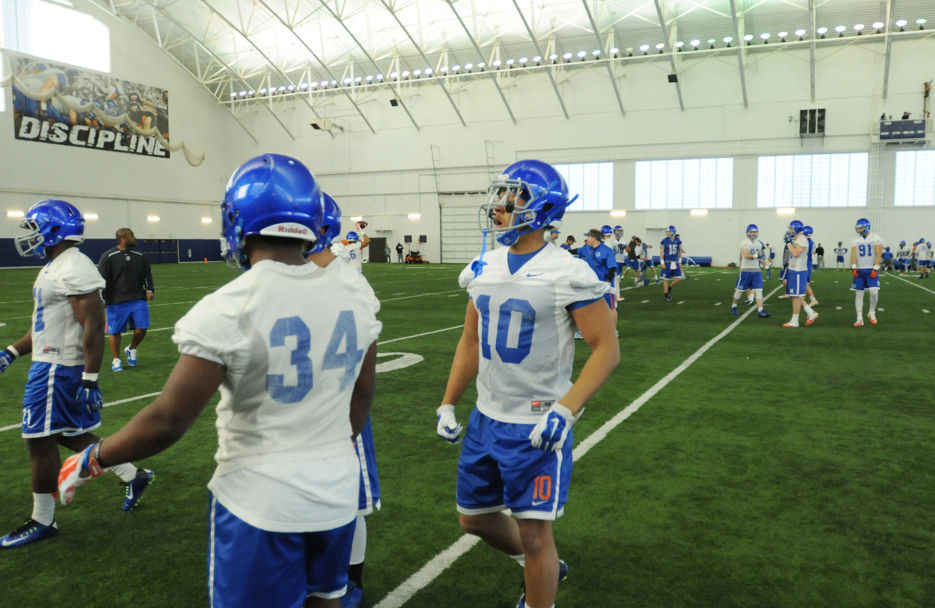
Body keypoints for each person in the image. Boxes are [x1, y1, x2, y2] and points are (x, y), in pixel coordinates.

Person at [57, 154, 381, 608]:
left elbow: (169, 420)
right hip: (337, 491)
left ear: (237, 219)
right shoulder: (355, 295)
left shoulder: (229, 305)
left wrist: (95, 456)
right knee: (325, 599)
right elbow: (362, 395)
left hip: (260, 500)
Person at [434, 159, 619, 608]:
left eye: (511, 198)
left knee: (536, 535)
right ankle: (542, 566)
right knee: (474, 519)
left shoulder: (568, 272)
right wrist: (448, 402)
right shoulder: (483, 266)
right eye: (499, 196)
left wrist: (566, 409)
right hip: (486, 417)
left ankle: (540, 584)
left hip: (535, 424)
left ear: (542, 208)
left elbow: (606, 349)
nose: (498, 206)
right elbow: (470, 340)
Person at [0, 200, 153, 549]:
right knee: (67, 432)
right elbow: (46, 325)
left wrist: (89, 377)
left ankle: (43, 519)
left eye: (35, 227)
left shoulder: (73, 266)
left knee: (38, 440)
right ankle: (133, 474)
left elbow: (94, 324)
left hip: (58, 368)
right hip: (51, 362)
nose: (30, 235)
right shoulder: (56, 265)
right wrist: (12, 351)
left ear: (54, 229)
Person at [306, 193, 382, 608]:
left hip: (337, 411)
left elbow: (363, 376)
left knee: (349, 502)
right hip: (293, 416)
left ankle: (352, 582)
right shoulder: (286, 275)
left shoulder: (346, 280)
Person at [98, 228, 154, 372]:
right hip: (115, 301)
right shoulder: (108, 256)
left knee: (142, 328)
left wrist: (149, 289)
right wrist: (101, 298)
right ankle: (116, 359)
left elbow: (147, 273)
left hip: (138, 298)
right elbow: (101, 279)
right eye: (131, 236)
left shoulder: (139, 255)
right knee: (114, 331)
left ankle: (131, 348)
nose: (135, 238)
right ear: (123, 239)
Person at [782, 220, 819, 328]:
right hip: (794, 270)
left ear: (797, 229)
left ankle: (795, 320)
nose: (790, 230)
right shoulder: (798, 239)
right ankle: (810, 313)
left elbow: (795, 253)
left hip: (798, 271)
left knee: (796, 296)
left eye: (792, 228)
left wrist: (788, 243)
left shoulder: (802, 239)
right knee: (795, 296)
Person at [730, 224, 770, 318]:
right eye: (751, 232)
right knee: (740, 290)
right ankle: (734, 306)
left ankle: (761, 310)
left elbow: (761, 257)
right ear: (748, 232)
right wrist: (756, 256)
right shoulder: (744, 242)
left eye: (755, 232)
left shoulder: (759, 244)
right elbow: (746, 254)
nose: (753, 234)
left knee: (759, 290)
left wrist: (766, 267)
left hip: (756, 270)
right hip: (745, 270)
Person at [850, 217, 884, 326]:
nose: (859, 230)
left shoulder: (876, 238)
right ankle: (859, 318)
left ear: (867, 227)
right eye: (858, 228)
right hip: (859, 269)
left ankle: (871, 312)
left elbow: (878, 254)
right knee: (859, 293)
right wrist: (854, 267)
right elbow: (853, 254)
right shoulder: (855, 240)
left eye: (861, 228)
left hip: (871, 268)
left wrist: (876, 268)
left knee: (874, 292)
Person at [660, 225, 684, 302]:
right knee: (666, 279)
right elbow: (661, 252)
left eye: (669, 231)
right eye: (667, 231)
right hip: (667, 262)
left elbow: (680, 251)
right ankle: (666, 295)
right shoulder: (664, 241)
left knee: (679, 278)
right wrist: (662, 262)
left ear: (673, 232)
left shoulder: (678, 241)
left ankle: (669, 288)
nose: (668, 233)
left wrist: (680, 261)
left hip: (675, 262)